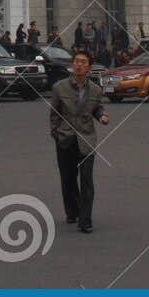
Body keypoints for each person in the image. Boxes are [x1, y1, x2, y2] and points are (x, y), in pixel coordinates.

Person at [49, 50, 110, 234]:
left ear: (89, 67)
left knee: (86, 181)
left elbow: (97, 108)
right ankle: (72, 211)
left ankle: (85, 220)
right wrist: (57, 135)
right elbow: (54, 114)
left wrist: (102, 116)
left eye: (83, 62)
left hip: (86, 140)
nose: (79, 64)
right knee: (67, 180)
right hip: (66, 139)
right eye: (76, 61)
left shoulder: (96, 90)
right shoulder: (60, 88)